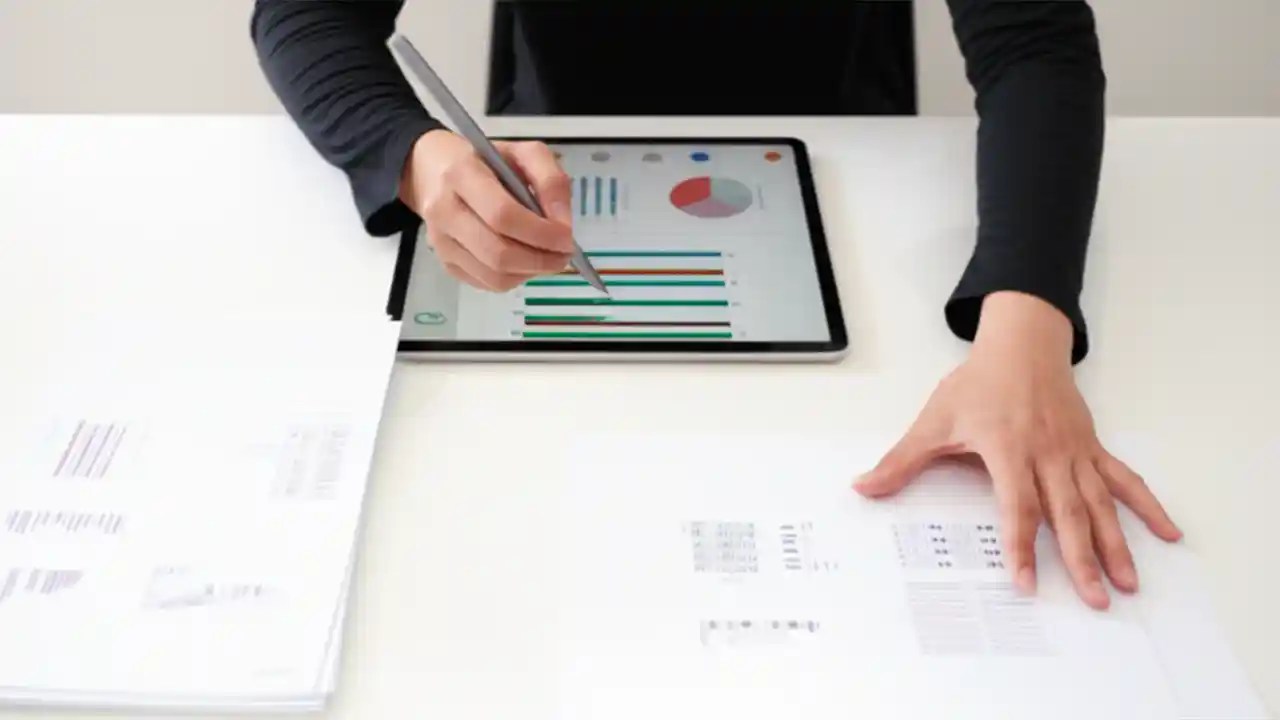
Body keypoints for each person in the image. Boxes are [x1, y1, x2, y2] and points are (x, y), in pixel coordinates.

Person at [251, 0, 1182, 610]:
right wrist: (415, 155)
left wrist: (1027, 325)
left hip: (853, 173)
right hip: (565, 163)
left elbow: (1034, 42)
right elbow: (305, 11)